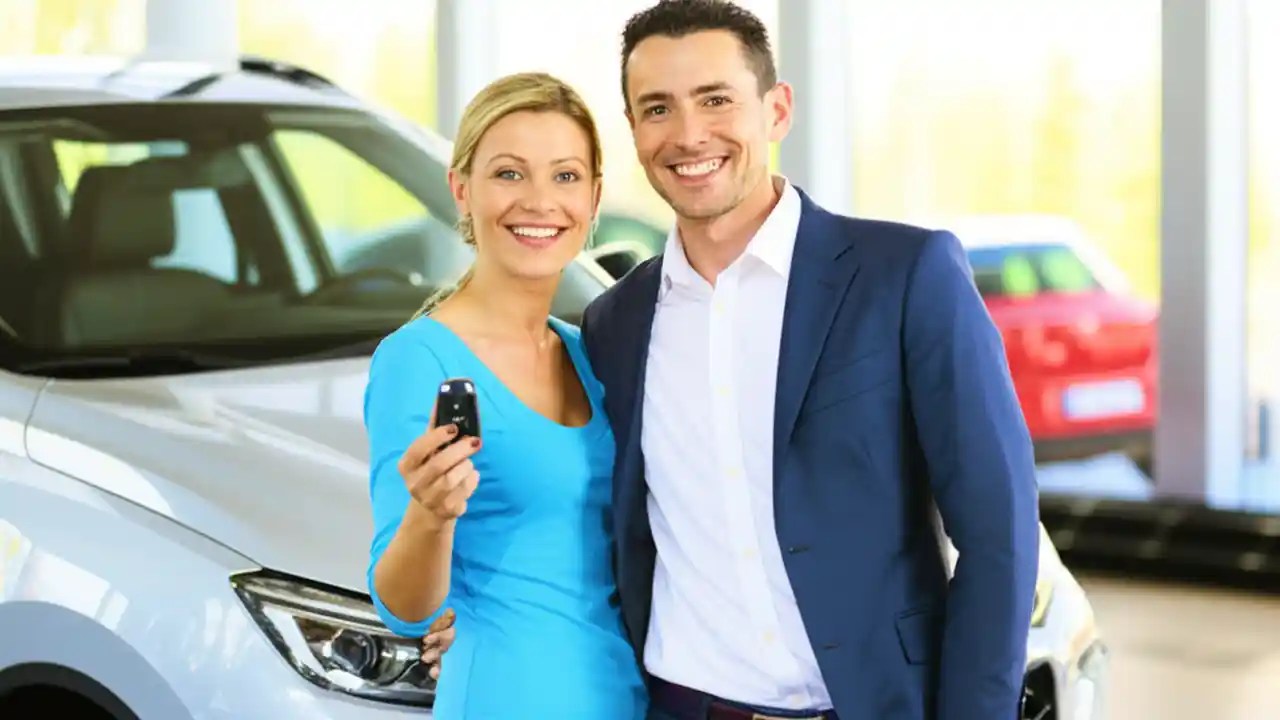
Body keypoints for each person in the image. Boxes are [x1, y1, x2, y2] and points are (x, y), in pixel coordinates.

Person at [424, 1, 1041, 718]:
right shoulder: (615, 324)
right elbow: (593, 520)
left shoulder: (904, 276)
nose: (689, 135)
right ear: (633, 130)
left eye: (715, 99)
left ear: (776, 110)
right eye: (657, 108)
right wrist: (495, 618)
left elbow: (1000, 532)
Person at [363, 71, 647, 719]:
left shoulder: (589, 352)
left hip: (623, 697)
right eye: (510, 174)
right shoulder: (418, 361)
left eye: (566, 176)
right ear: (461, 189)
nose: (540, 201)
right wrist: (430, 516)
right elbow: (405, 609)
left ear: (596, 198)